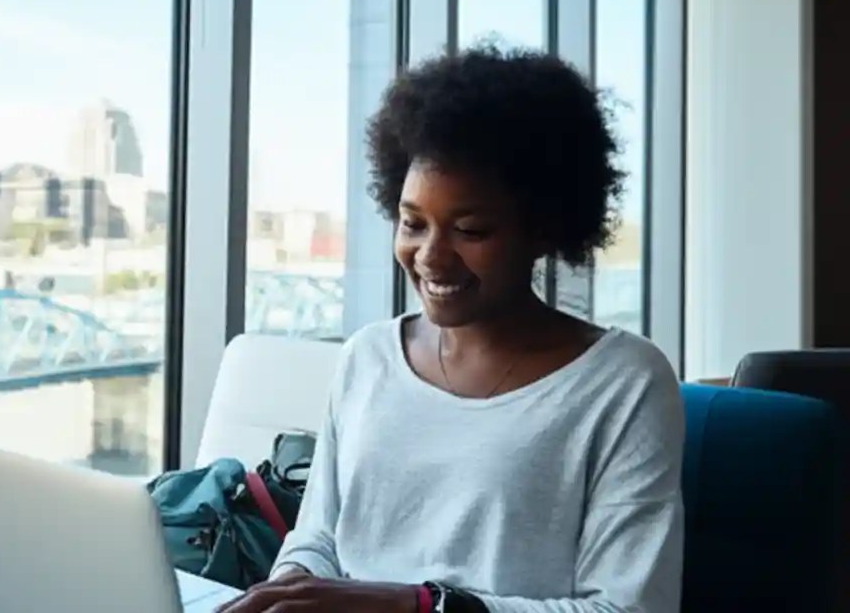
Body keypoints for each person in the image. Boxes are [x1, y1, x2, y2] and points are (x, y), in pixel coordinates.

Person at [218, 46, 684, 613]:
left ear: (543, 229)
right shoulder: (367, 358)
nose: (431, 258)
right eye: (413, 223)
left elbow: (627, 609)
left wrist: (416, 606)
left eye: (471, 230)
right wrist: (286, 592)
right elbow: (319, 539)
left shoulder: (622, 382)